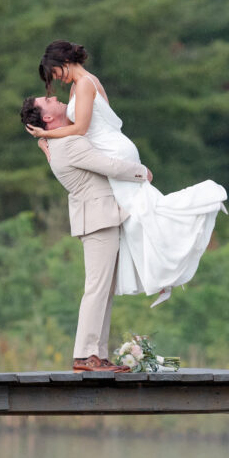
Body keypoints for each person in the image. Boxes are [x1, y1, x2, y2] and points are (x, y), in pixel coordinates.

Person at [24, 41, 226, 307]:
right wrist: (46, 143)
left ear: (64, 63)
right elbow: (75, 128)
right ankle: (161, 275)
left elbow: (81, 128)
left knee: (142, 214)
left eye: (55, 72)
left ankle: (199, 206)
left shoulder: (84, 84)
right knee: (137, 218)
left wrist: (47, 134)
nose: (56, 80)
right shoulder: (78, 85)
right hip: (109, 148)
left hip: (114, 152)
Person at [21, 94, 150, 372]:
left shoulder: (56, 143)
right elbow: (110, 166)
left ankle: (98, 355)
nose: (55, 96)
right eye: (48, 99)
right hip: (98, 219)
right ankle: (85, 356)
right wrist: (143, 173)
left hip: (98, 217)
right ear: (46, 117)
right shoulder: (68, 143)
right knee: (96, 288)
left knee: (103, 290)